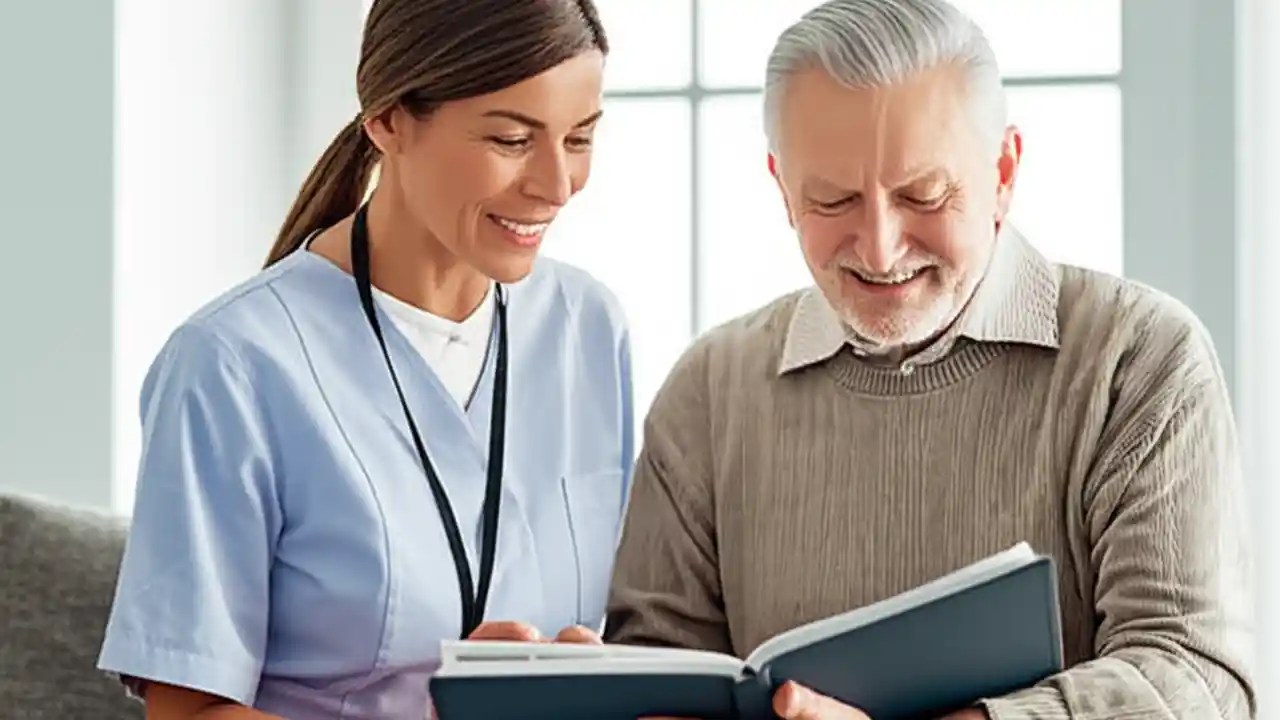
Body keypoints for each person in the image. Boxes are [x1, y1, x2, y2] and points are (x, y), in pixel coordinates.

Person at [601, 0, 1257, 718]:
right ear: (782, 188)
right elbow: (662, 680)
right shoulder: (708, 393)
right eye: (833, 200)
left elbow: (1195, 680)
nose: (880, 249)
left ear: (1003, 171)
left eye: (924, 194)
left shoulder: (1137, 360)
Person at [96, 0, 631, 718]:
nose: (556, 186)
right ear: (387, 120)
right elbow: (187, 712)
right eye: (510, 139)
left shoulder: (588, 329)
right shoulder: (232, 365)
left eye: (580, 140)